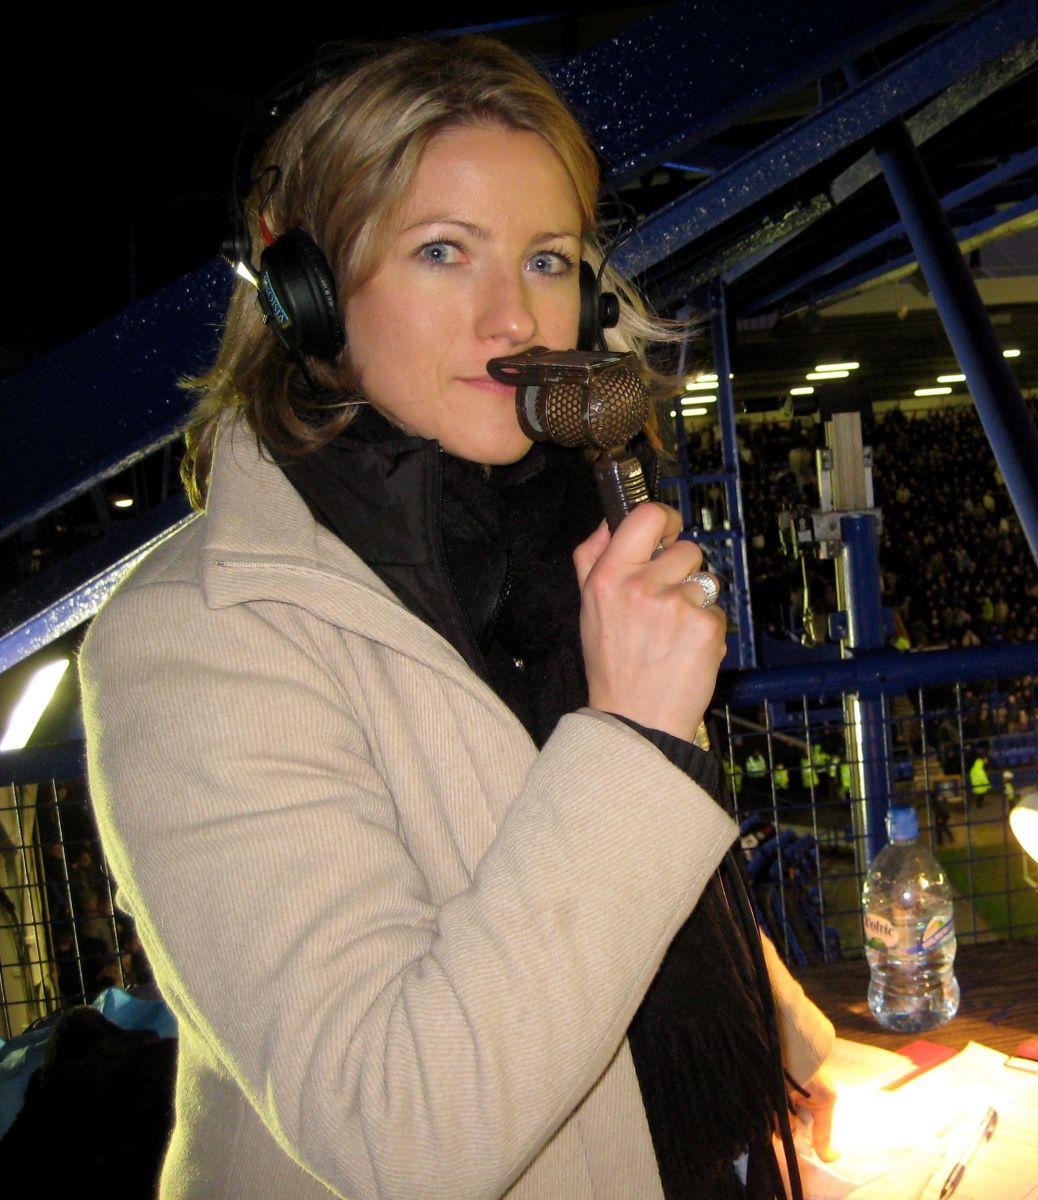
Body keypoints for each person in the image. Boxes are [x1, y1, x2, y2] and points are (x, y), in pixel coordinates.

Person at [78, 37, 834, 1200]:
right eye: (442, 252)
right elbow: (400, 1136)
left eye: (546, 259)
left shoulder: (562, 529)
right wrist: (634, 737)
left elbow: (611, 884)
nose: (511, 319)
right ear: (310, 295)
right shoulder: (193, 642)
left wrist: (771, 1025)